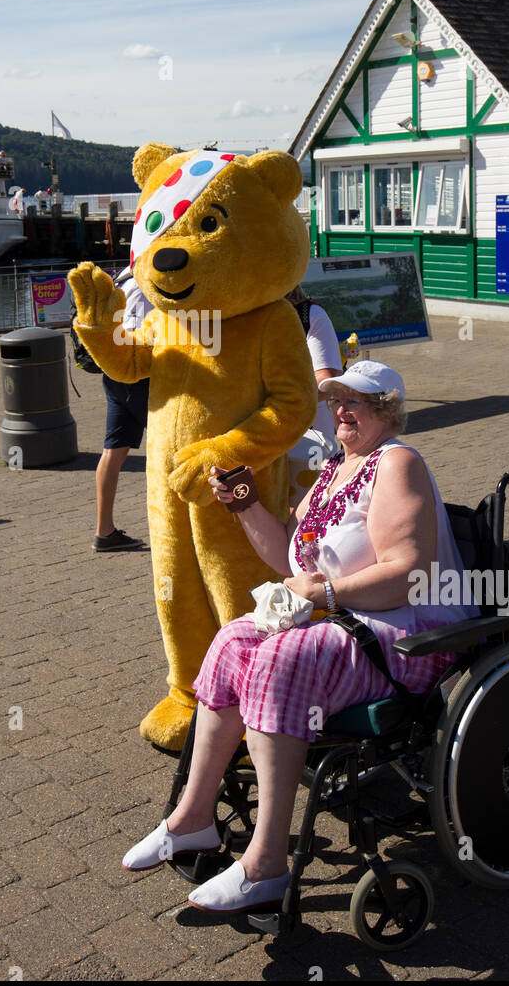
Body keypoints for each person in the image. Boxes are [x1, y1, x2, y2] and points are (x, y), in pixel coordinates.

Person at [121, 360, 479, 912]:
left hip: (403, 633)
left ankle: (265, 865)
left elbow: (411, 573)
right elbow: (287, 555)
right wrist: (244, 504)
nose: (339, 411)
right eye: (335, 401)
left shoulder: (397, 462)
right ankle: (193, 818)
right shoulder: (334, 470)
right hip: (340, 623)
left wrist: (328, 596)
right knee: (232, 643)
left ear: (385, 409)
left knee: (278, 663)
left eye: (353, 402)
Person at [93, 266, 153, 551]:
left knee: (113, 452)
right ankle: (173, 528)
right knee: (166, 450)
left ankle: (105, 531)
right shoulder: (140, 286)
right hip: (138, 379)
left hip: (117, 380)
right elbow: (131, 337)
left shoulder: (123, 277)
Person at [285, 285, 342, 494]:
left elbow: (328, 382)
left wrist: (279, 402)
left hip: (308, 436)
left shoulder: (309, 315)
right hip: (256, 435)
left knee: (309, 504)